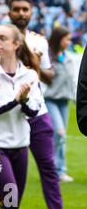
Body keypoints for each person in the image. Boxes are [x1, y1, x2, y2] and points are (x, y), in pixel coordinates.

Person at [0, 0, 63, 209]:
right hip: (9, 118)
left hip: (38, 116)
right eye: (16, 9)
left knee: (49, 171)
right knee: (11, 182)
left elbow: (49, 76)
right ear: (9, 13)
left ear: (31, 13)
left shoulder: (40, 41)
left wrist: (37, 67)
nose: (21, 13)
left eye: (25, 9)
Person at [0, 24, 42, 209]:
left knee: (12, 204)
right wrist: (14, 100)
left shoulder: (30, 75)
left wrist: (24, 100)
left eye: (2, 38)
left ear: (16, 44)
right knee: (10, 195)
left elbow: (34, 110)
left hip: (20, 146)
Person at [45, 26, 76, 182]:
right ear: (59, 39)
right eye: (67, 39)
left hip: (64, 101)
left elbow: (73, 82)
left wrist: (77, 100)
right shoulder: (48, 58)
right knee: (60, 132)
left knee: (60, 137)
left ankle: (59, 170)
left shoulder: (69, 58)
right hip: (50, 100)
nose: (69, 42)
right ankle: (56, 170)